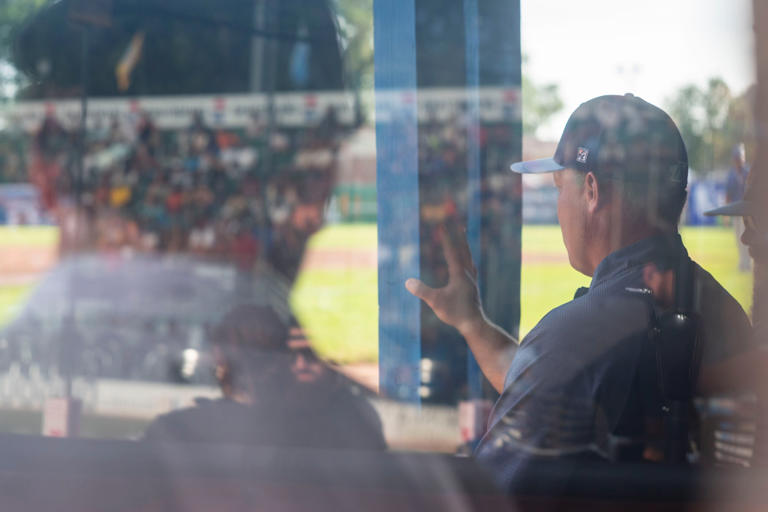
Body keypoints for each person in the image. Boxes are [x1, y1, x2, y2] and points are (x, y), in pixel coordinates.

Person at [406, 94, 752, 489]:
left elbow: (490, 494)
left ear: (591, 190)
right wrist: (471, 322)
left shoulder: (581, 335)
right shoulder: (723, 309)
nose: (558, 206)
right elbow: (555, 385)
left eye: (558, 187)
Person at [143, 304, 387, 450]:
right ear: (281, 360)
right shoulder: (315, 434)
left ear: (219, 356)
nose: (301, 363)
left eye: (312, 354)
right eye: (294, 354)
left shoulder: (173, 431)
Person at [725, 143, 751, 271]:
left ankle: (747, 263)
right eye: (736, 158)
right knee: (737, 237)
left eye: (739, 157)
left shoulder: (749, 172)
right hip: (736, 211)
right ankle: (742, 262)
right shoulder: (731, 174)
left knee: (745, 236)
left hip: (747, 211)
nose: (738, 160)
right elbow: (728, 194)